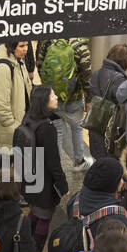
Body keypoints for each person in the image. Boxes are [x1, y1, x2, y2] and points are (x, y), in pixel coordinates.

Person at [19, 85, 69, 252]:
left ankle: (22, 241)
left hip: (29, 176)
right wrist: (63, 186)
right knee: (45, 216)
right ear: (44, 102)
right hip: (44, 182)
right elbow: (53, 161)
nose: (56, 98)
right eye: (53, 95)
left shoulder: (28, 118)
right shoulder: (47, 128)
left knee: (35, 210)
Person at [38, 37, 93, 170]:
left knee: (58, 130)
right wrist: (88, 99)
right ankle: (79, 162)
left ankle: (56, 167)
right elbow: (87, 76)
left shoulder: (46, 40)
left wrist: (51, 88)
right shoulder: (81, 47)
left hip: (52, 97)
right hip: (73, 98)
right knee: (77, 127)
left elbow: (40, 65)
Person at [88, 43, 127, 160]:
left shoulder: (97, 73)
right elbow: (124, 103)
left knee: (98, 160)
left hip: (94, 124)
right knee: (107, 164)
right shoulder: (119, 79)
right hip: (108, 130)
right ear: (125, 62)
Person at [0, 40, 33, 150]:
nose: (25, 49)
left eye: (27, 45)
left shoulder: (19, 62)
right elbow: (0, 104)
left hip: (20, 128)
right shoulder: (4, 67)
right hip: (8, 135)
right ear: (11, 47)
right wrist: (14, 127)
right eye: (21, 46)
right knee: (8, 166)